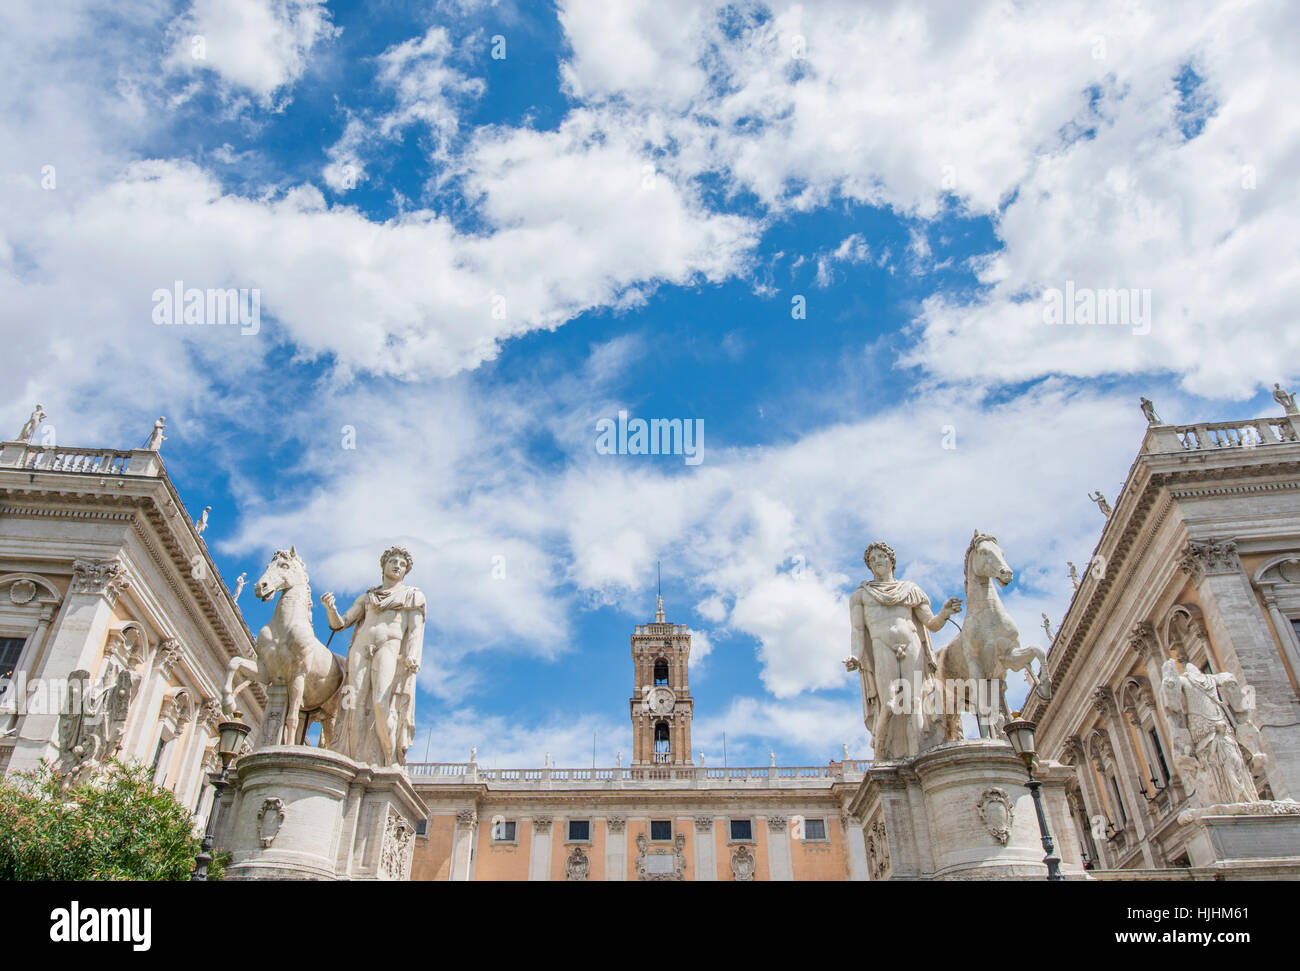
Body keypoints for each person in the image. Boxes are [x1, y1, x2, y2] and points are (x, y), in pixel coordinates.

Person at [322, 546, 425, 767]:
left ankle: (389, 758)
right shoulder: (367, 597)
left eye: (402, 564)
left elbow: (416, 630)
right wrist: (330, 608)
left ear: (406, 571)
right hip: (361, 646)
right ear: (384, 565)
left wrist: (412, 655)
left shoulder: (412, 596)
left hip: (390, 647)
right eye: (393, 561)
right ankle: (350, 758)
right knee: (352, 703)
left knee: (381, 702)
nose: (397, 566)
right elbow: (340, 623)